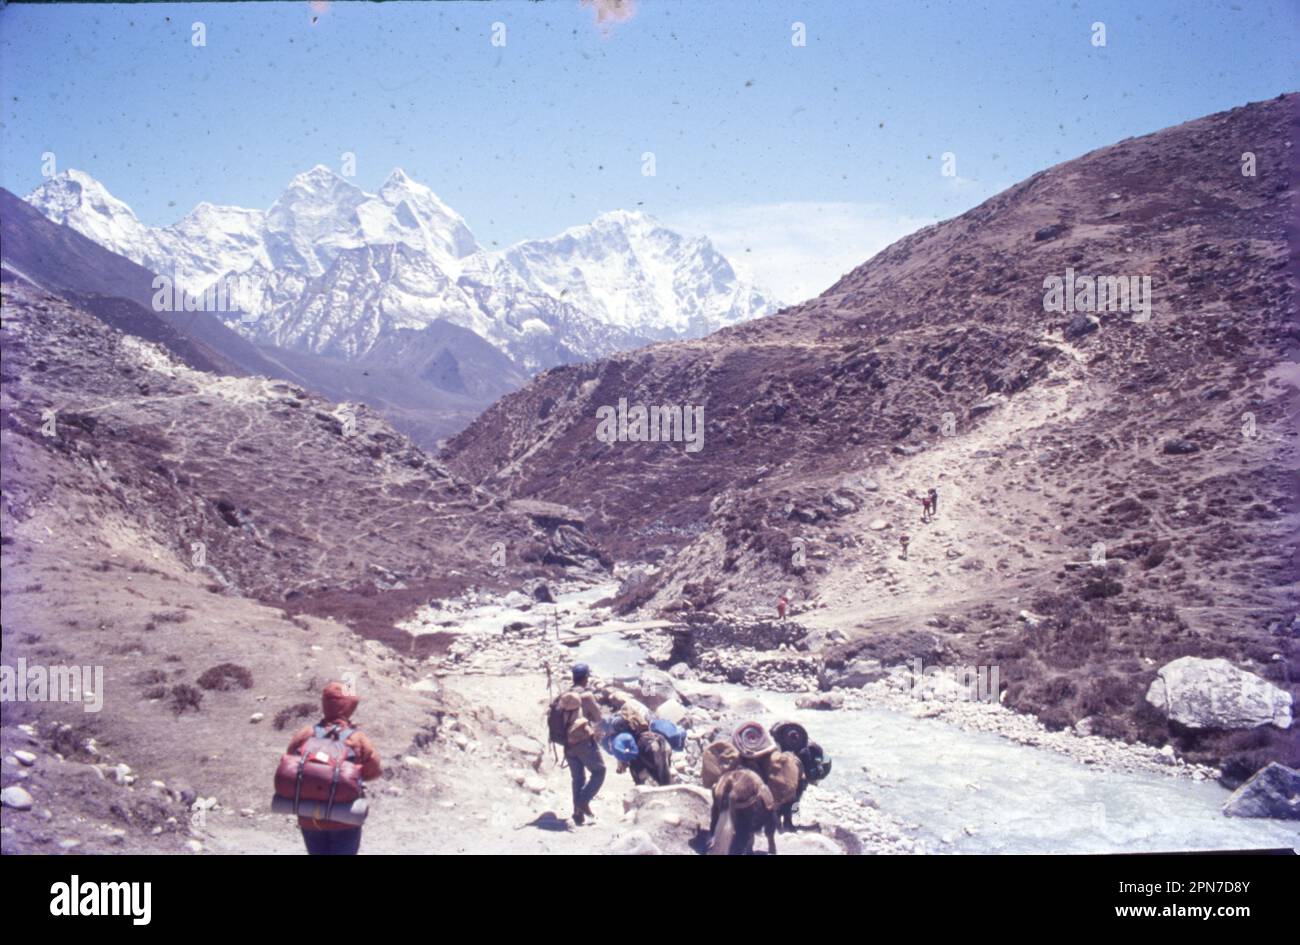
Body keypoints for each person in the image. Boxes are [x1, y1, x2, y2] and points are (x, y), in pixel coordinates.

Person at [286, 681, 382, 856]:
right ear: (350, 707)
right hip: (345, 816)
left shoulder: (306, 733)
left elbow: (290, 764)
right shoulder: (357, 738)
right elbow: (374, 771)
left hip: (309, 815)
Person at [561, 663, 606, 825]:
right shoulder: (586, 696)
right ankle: (583, 801)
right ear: (586, 678)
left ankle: (577, 814)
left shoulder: (565, 694)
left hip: (567, 743)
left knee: (577, 778)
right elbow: (598, 718)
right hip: (583, 743)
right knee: (599, 771)